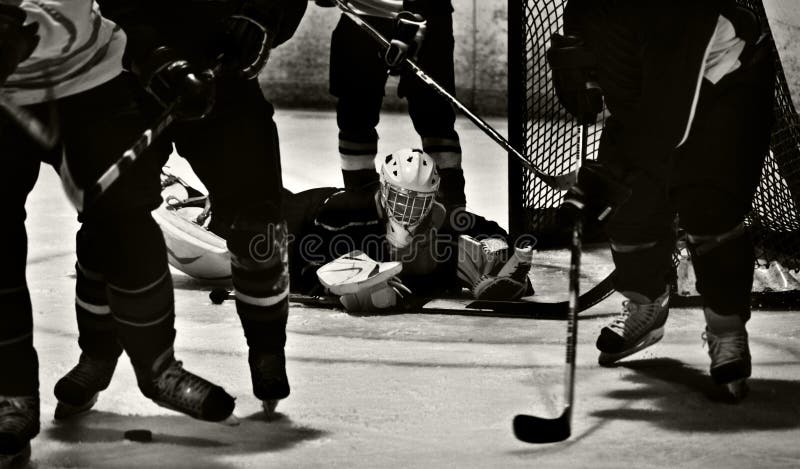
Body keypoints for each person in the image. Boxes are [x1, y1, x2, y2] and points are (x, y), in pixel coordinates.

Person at [0, 1, 238, 464]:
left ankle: (158, 368)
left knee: (128, 222)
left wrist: (159, 58)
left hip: (93, 80)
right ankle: (9, 395)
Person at [52, 0, 308, 420]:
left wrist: (265, 16)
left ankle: (267, 350)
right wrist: (150, 53)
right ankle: (95, 356)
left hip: (224, 74)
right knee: (107, 224)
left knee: (257, 222)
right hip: (130, 75)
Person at [556, 0, 774, 399]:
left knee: (709, 205)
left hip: (728, 89)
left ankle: (726, 332)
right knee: (627, 210)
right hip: (654, 100)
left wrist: (609, 180)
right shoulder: (585, 7)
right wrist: (580, 81)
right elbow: (607, 89)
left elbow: (667, 124)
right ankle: (647, 308)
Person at [158, 148, 533, 312]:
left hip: (315, 223)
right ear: (384, 190)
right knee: (238, 222)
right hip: (295, 225)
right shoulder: (348, 212)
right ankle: (183, 194)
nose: (411, 209)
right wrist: (344, 285)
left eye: (420, 200)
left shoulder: (437, 213)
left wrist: (498, 246)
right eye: (402, 198)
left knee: (452, 248)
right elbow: (305, 267)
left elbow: (489, 227)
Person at [314, 0, 467, 212]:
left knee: (435, 118)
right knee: (354, 119)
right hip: (360, 14)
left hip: (427, 14)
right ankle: (361, 210)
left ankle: (452, 213)